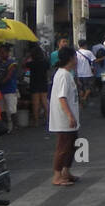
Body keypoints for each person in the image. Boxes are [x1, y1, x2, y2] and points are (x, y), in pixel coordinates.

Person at [49, 45, 80, 186]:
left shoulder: (67, 74)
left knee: (72, 145)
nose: (77, 59)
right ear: (70, 58)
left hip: (70, 117)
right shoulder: (63, 75)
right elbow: (62, 98)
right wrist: (70, 116)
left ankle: (66, 172)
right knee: (63, 147)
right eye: (75, 57)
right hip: (63, 119)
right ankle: (57, 175)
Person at [0, 43, 20, 133]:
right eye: (0, 52)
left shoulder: (12, 63)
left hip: (10, 89)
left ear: (8, 53)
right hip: (1, 90)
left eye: (3, 52)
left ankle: (15, 127)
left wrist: (0, 82)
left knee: (12, 109)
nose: (1, 54)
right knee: (2, 109)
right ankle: (5, 127)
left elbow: (9, 76)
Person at [26, 44, 49, 126]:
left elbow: (23, 65)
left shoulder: (32, 63)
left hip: (34, 83)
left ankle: (36, 121)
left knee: (36, 103)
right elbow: (48, 68)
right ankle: (48, 119)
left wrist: (28, 57)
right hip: (43, 83)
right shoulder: (45, 62)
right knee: (44, 101)